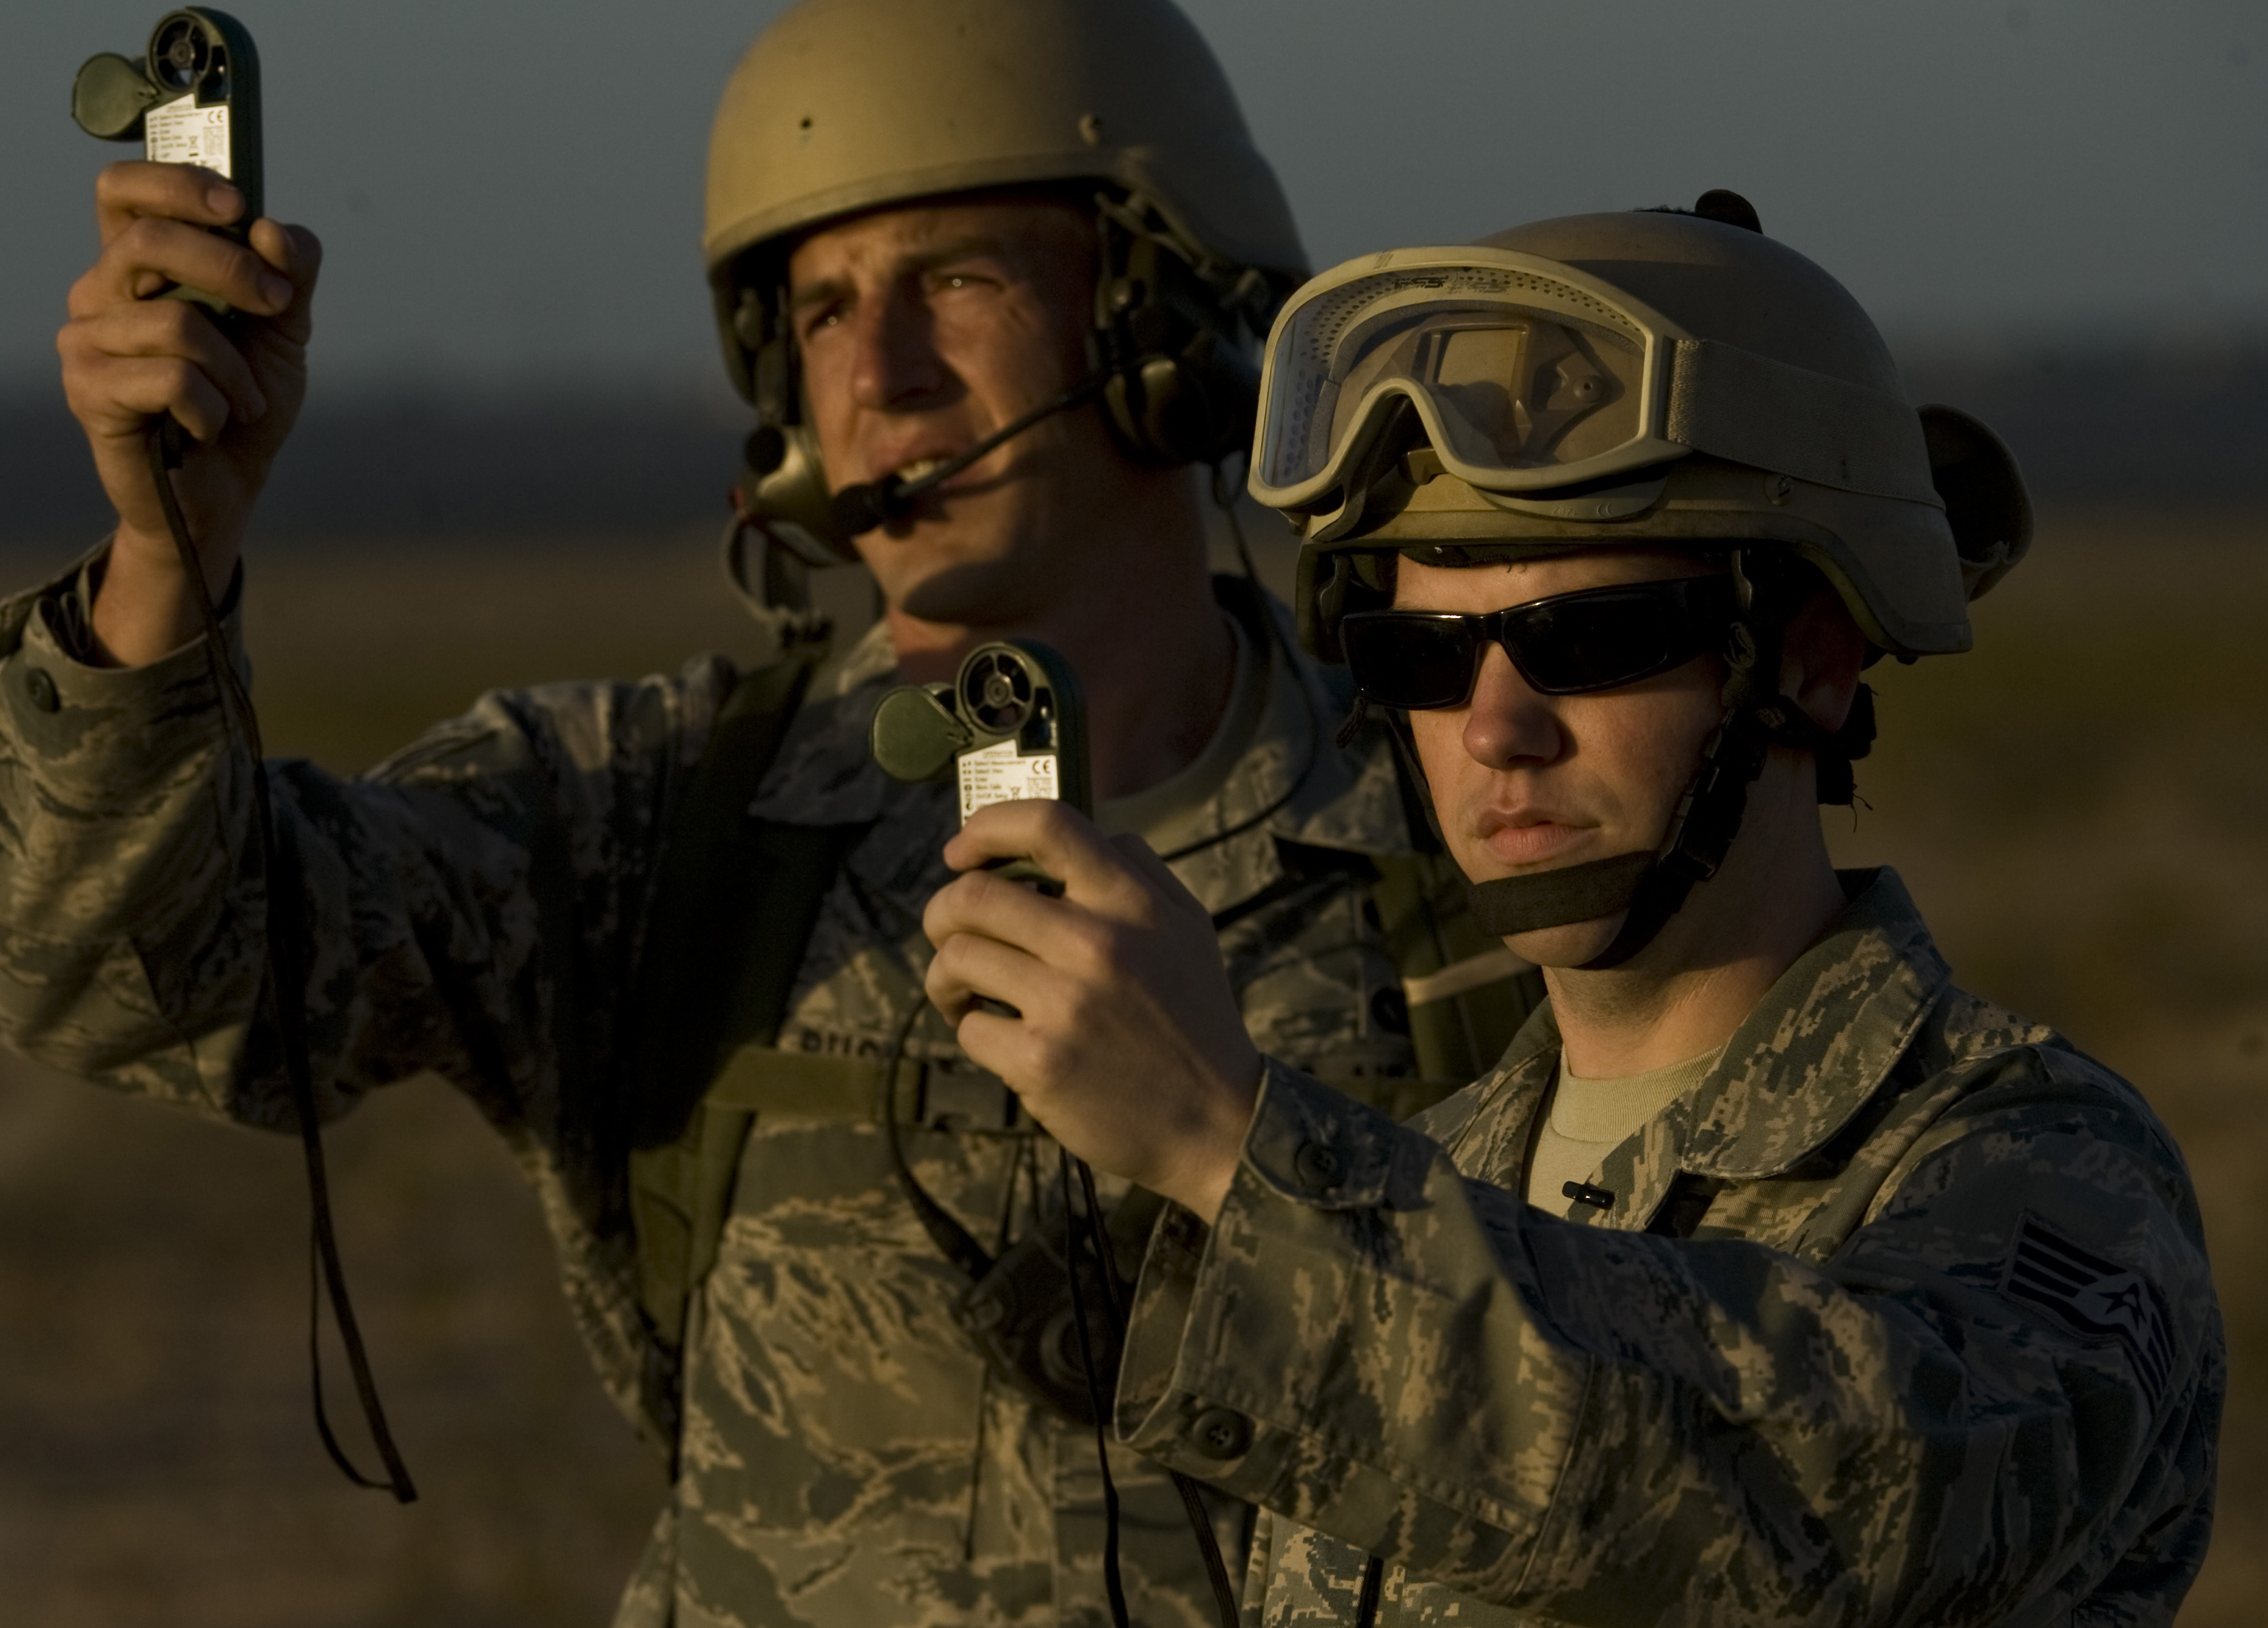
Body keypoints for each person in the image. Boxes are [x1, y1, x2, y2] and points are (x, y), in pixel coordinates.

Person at [0, 0, 1544, 1628]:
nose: (878, 375)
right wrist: (164, 556)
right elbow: (104, 977)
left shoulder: (1486, 821)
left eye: (959, 280)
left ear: (1166, 326)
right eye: (823, 311)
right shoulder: (652, 820)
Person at [916, 198, 2224, 1624]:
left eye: (1588, 641)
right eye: (1421, 656)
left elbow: (1826, 1514)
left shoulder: (2037, 1173)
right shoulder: (1434, 1173)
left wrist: (1225, 1143)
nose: (1494, 730)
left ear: (1814, 661)